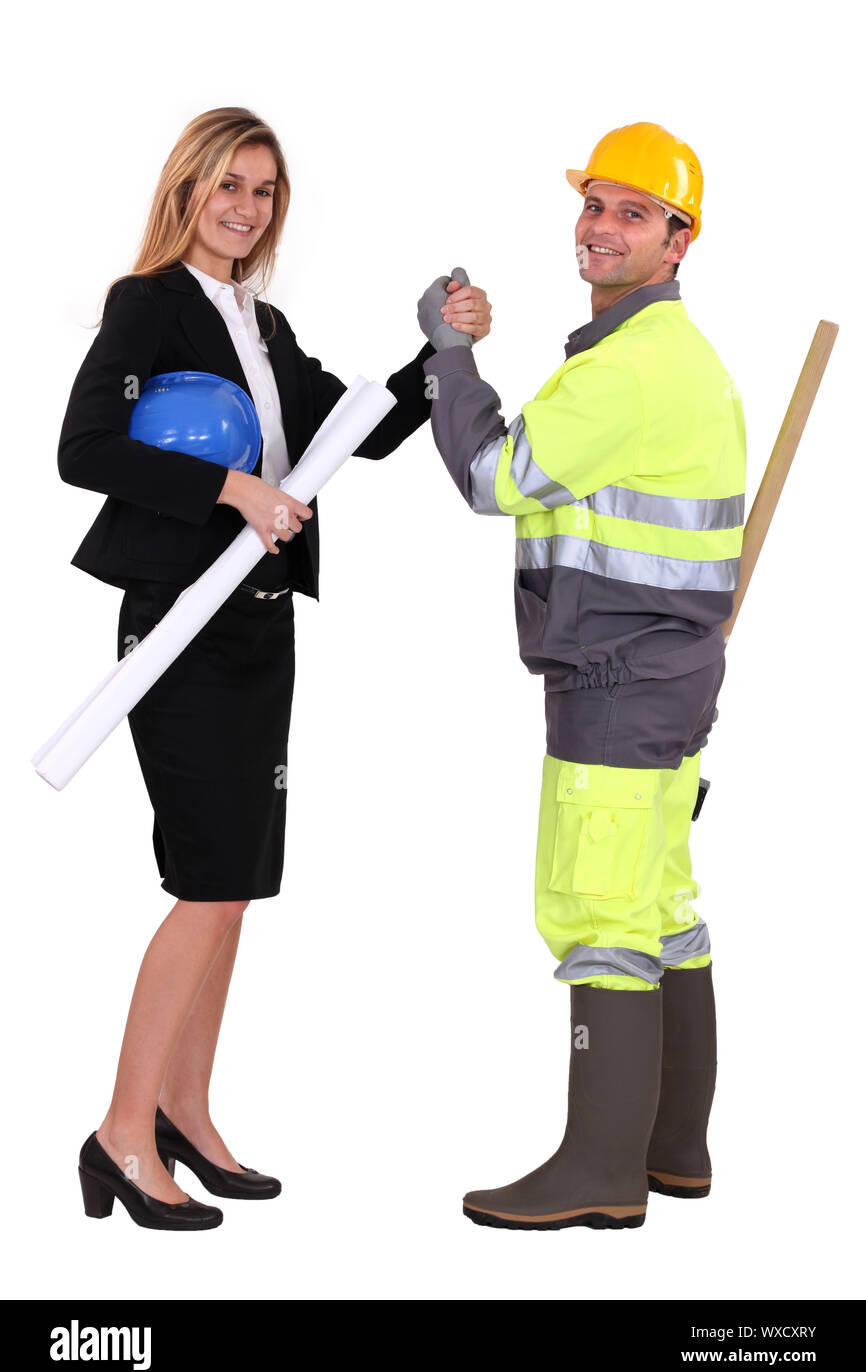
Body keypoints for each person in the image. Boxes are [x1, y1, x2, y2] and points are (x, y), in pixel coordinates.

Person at [60, 105, 492, 1230]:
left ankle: (185, 1115)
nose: (245, 208)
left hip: (257, 624)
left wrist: (437, 350)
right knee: (202, 884)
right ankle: (119, 1131)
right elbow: (85, 450)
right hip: (180, 626)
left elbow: (359, 429)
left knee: (236, 887)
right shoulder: (147, 305)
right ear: (186, 193)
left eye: (261, 190)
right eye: (227, 187)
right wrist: (229, 489)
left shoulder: (261, 321)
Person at [416, 121, 746, 1230]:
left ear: (677, 240)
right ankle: (671, 1146)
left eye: (630, 212)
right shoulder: (665, 358)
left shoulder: (633, 367)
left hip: (615, 677)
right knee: (660, 907)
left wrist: (448, 360)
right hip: (667, 673)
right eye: (594, 203)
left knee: (595, 913)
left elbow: (492, 476)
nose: (600, 228)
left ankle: (598, 1170)